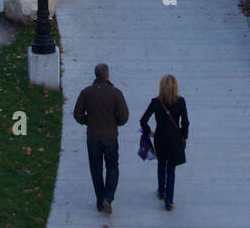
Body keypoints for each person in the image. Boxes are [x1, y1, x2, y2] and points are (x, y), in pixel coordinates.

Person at [73, 63, 129, 214]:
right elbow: (124, 117)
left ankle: (100, 201)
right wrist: (115, 123)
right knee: (112, 167)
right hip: (110, 137)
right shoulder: (116, 93)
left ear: (95, 75)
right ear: (107, 75)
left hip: (93, 138)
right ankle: (108, 197)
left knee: (96, 169)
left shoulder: (86, 93)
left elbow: (77, 114)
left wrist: (87, 121)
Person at [140, 74, 189, 211]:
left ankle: (161, 190)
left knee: (161, 164)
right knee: (171, 168)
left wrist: (149, 131)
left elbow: (143, 120)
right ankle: (169, 200)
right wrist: (184, 135)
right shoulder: (180, 101)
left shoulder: (156, 102)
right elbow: (185, 122)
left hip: (160, 138)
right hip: (174, 139)